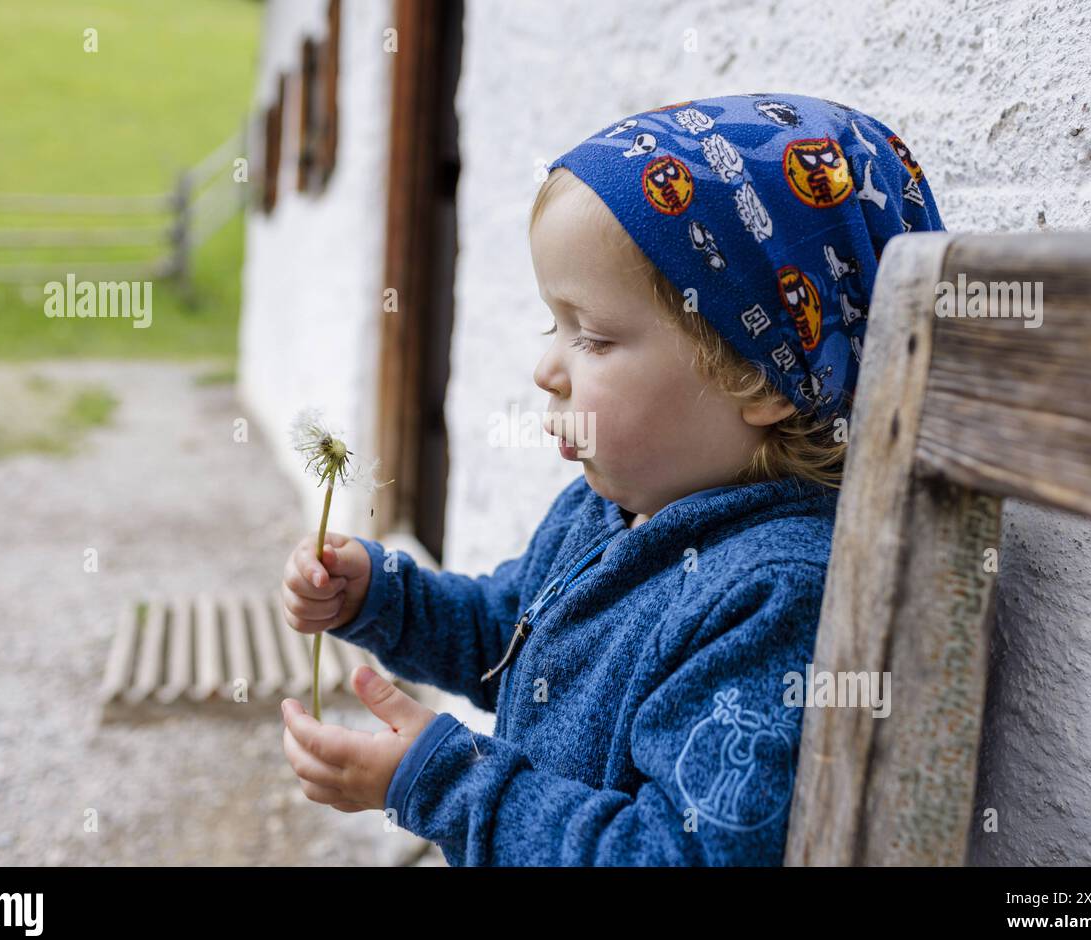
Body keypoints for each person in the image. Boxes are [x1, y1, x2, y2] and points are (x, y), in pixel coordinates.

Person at [279, 93, 944, 865]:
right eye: (550, 326)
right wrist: (381, 595)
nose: (545, 369)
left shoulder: (772, 597)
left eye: (591, 336)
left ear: (759, 378)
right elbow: (509, 632)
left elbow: (671, 854)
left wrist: (448, 784)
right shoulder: (606, 507)